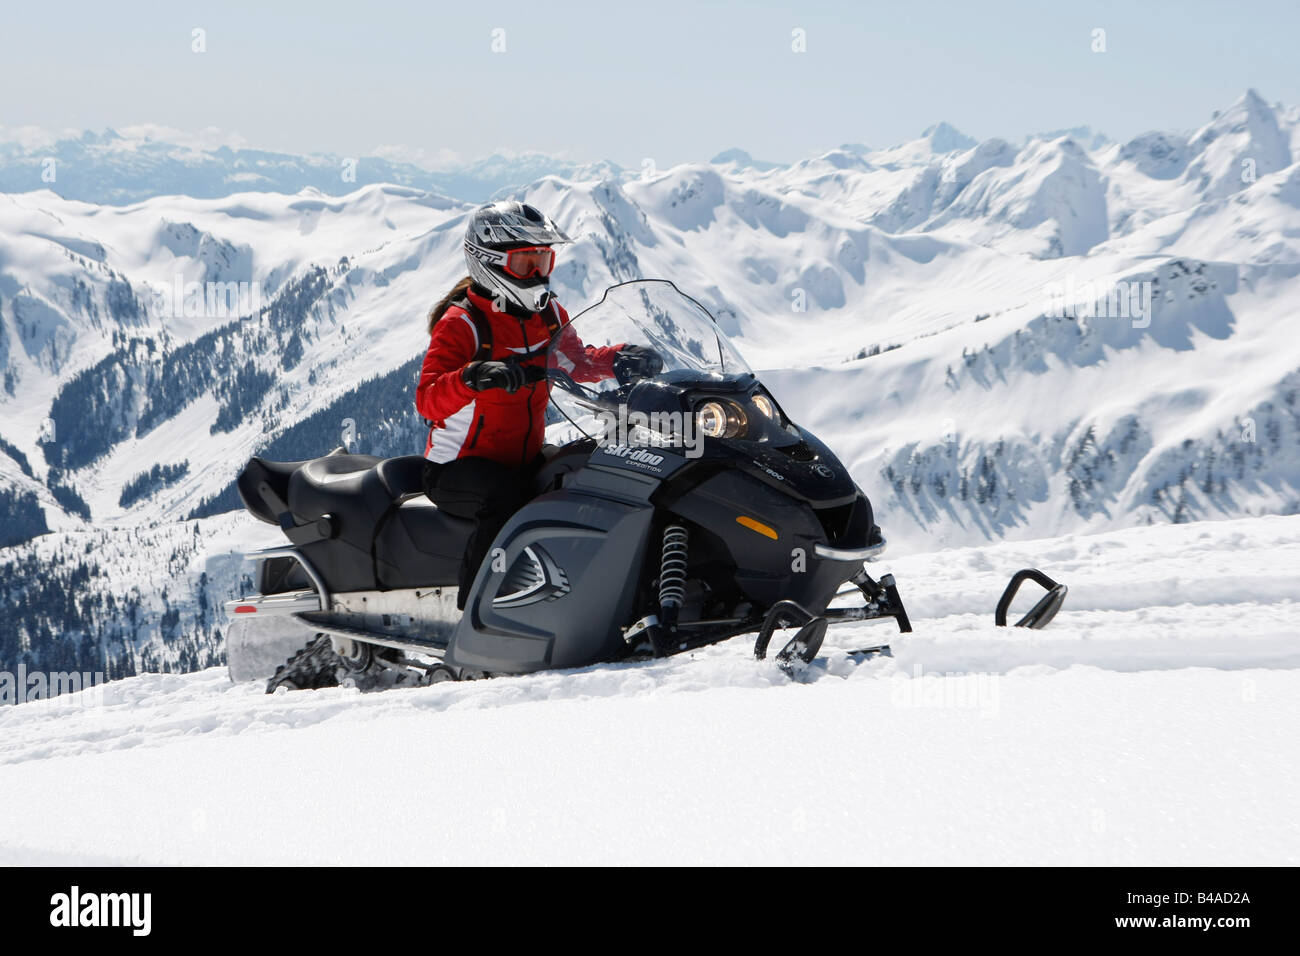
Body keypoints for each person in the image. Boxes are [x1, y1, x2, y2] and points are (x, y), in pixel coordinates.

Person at [415, 201, 660, 606]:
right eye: (526, 262)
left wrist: (618, 358)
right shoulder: (462, 323)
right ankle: (479, 609)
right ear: (489, 262)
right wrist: (473, 376)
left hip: (523, 455)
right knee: (506, 497)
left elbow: (573, 362)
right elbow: (428, 401)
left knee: (587, 471)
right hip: (458, 467)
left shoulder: (547, 315)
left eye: (543, 261)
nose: (538, 274)